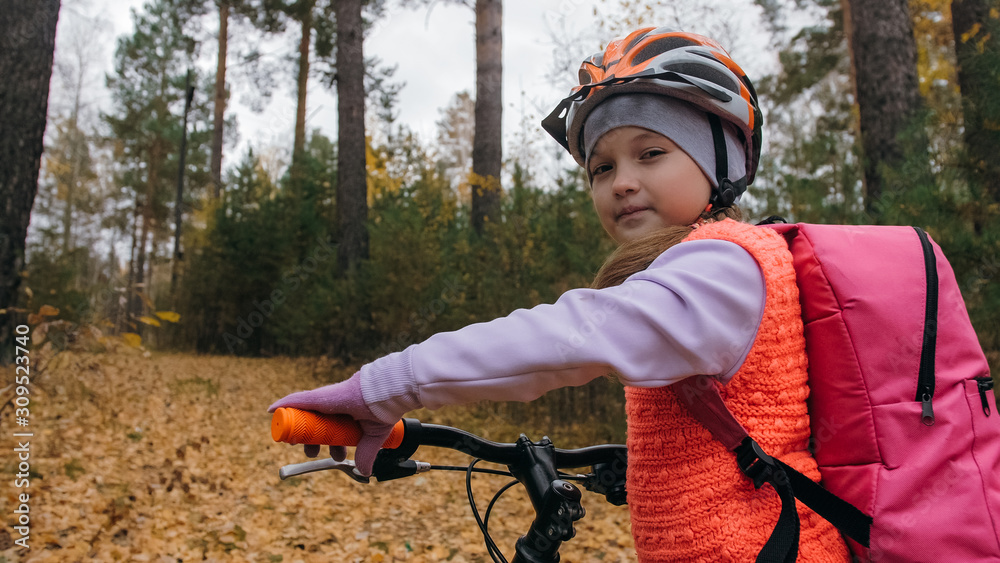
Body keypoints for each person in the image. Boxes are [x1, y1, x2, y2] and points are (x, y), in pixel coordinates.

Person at [269, 26, 851, 561]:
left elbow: (568, 338)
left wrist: (384, 387)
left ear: (720, 161)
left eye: (651, 153)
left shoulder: (724, 268)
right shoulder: (709, 266)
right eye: (601, 168)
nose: (621, 181)